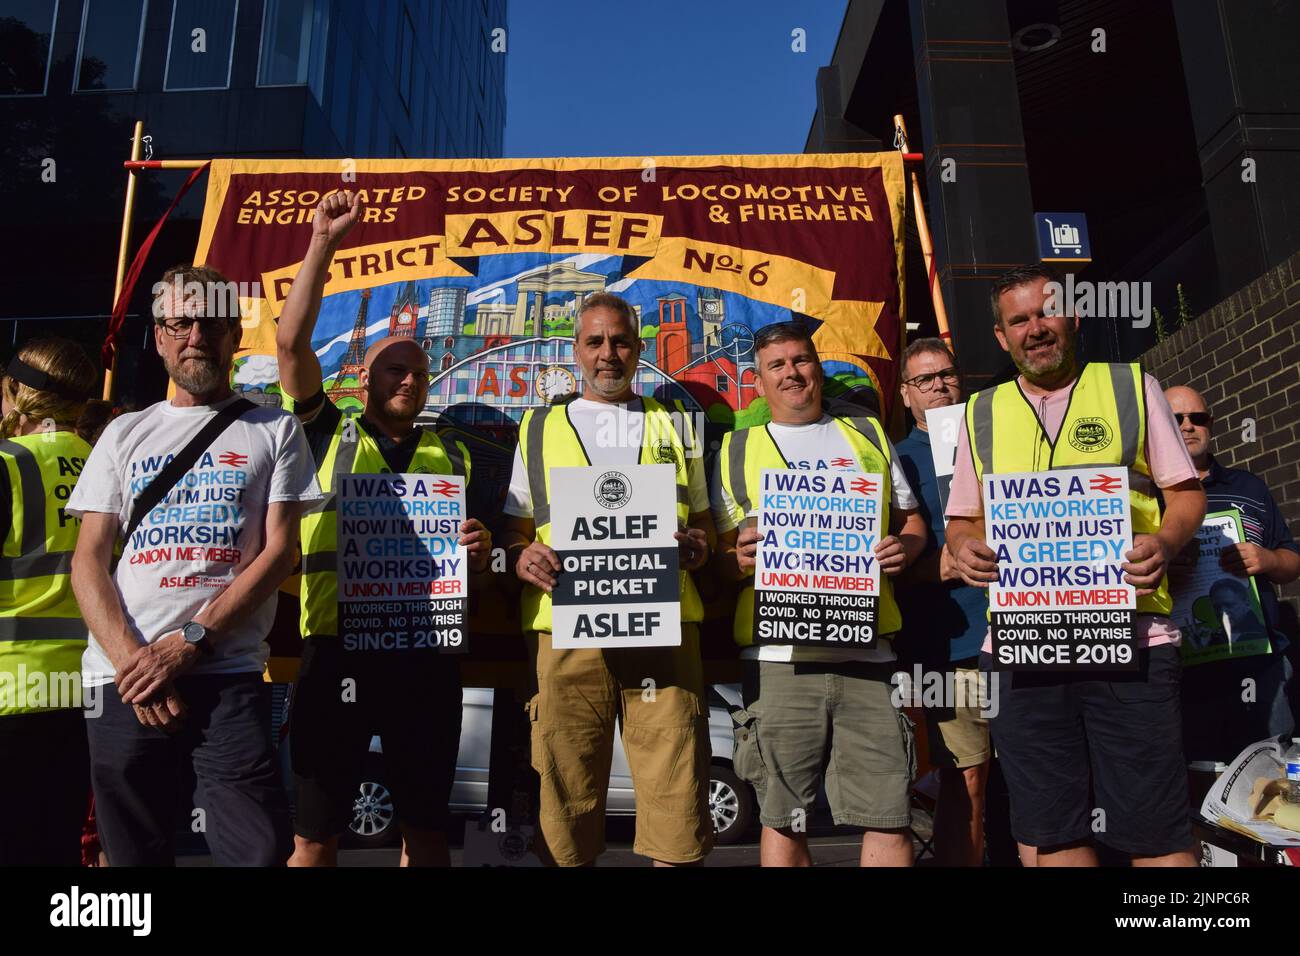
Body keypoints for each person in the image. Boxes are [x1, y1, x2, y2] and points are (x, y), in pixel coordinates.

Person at [945, 264, 1206, 867]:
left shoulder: (1131, 386)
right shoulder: (979, 414)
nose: (1035, 329)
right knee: (1053, 831)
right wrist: (965, 548)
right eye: (1019, 320)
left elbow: (1187, 493)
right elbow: (961, 520)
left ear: (1073, 318)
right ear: (1000, 335)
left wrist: (1164, 544)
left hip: (1131, 638)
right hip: (1023, 643)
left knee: (1157, 829)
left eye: (1046, 313)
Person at [69, 264, 321, 866]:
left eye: (210, 322)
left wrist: (189, 645)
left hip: (224, 673)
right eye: (179, 322)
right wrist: (137, 662)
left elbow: (279, 552)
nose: (195, 336)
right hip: (122, 681)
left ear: (235, 335)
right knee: (132, 855)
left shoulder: (274, 428)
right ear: (158, 337)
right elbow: (87, 562)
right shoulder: (124, 433)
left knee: (256, 851)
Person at [276, 191, 492, 867]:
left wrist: (479, 552)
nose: (408, 381)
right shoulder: (324, 433)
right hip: (336, 654)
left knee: (425, 833)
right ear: (365, 379)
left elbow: (476, 561)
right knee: (314, 836)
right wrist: (322, 243)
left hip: (423, 659)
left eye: (420, 373)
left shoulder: (452, 454)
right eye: (394, 370)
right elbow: (287, 345)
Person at [500, 291, 714, 867]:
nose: (608, 353)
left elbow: (705, 528)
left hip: (663, 631)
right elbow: (515, 530)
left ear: (639, 348)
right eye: (594, 341)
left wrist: (698, 547)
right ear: (576, 351)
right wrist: (519, 556)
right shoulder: (538, 427)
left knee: (678, 797)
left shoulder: (677, 423)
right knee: (563, 802)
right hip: (565, 633)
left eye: (620, 340)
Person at [713, 321, 926, 867]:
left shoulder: (868, 435)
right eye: (776, 365)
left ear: (818, 367)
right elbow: (718, 558)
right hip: (779, 661)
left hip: (868, 653)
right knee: (783, 820)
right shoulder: (735, 450)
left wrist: (906, 547)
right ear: (758, 382)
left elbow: (913, 523)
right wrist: (735, 560)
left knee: (889, 815)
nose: (791, 372)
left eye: (801, 360)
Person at [893, 337, 993, 866]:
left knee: (1039, 771)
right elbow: (886, 565)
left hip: (1028, 634)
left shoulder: (998, 442)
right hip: (949, 646)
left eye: (947, 375)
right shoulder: (896, 461)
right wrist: (946, 563)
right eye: (924, 380)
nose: (939, 387)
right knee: (967, 778)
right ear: (906, 394)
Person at [0, 338, 98, 865]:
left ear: (18, 393)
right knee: (57, 849)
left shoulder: (8, 463)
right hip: (89, 694)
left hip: (10, 690)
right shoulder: (110, 464)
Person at [1164, 384, 1298, 761]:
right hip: (1182, 671)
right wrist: (1161, 571)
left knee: (1269, 779)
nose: (1188, 426)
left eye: (1198, 418)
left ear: (1211, 425)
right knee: (1199, 782)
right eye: (1176, 420)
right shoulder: (1146, 498)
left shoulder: (1249, 487)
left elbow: (1292, 560)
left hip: (1259, 663)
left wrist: (1267, 560)